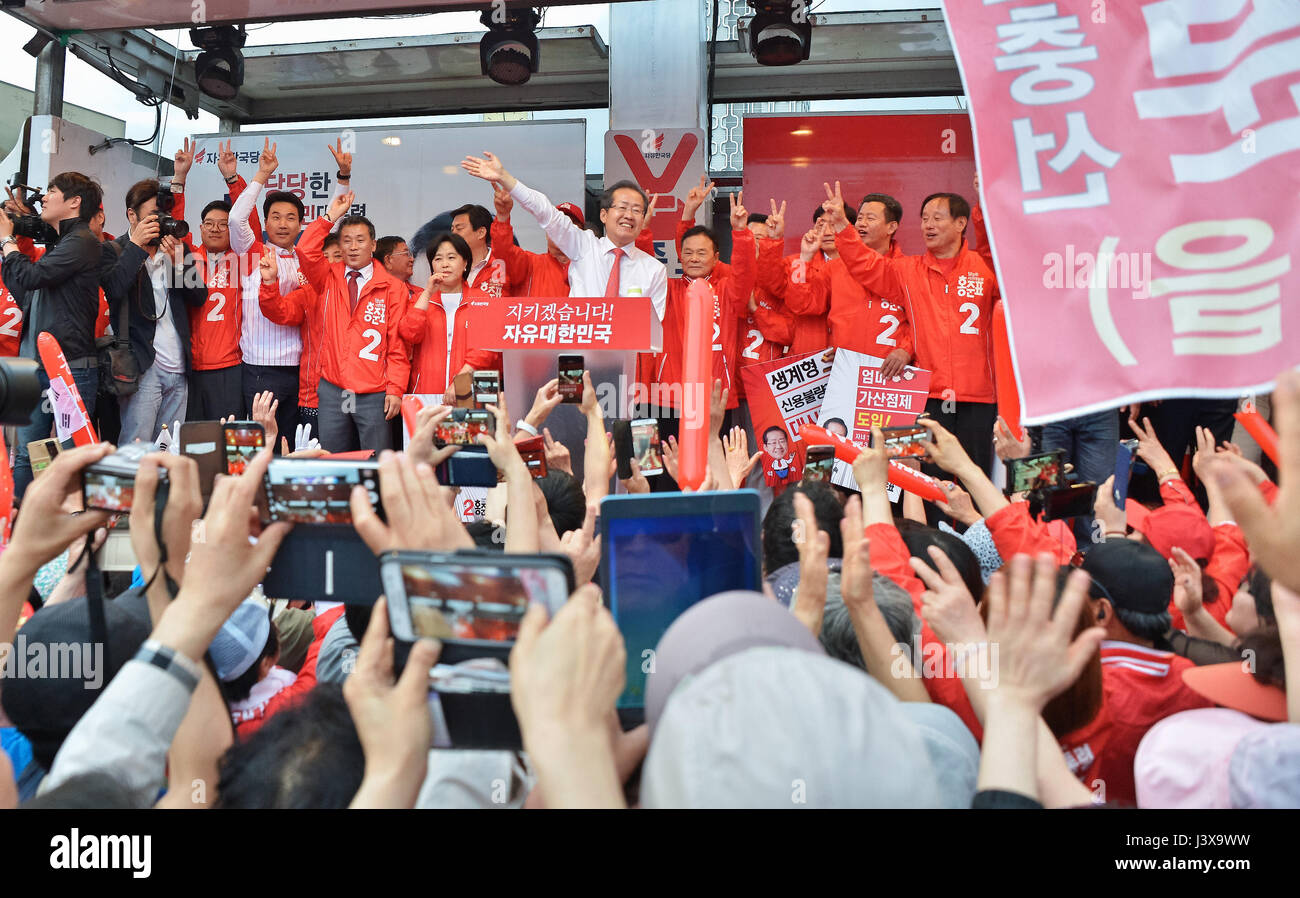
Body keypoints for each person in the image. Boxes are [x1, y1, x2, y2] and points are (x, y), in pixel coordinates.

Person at [828, 182, 1001, 474]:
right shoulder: (908, 271)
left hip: (979, 396)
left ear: (961, 223)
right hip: (929, 395)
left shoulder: (984, 266)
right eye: (924, 218)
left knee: (976, 477)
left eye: (937, 217)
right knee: (929, 481)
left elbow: (991, 245)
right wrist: (844, 229)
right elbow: (866, 265)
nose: (928, 225)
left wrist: (983, 206)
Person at [258, 190, 409, 452]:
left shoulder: (393, 288)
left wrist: (395, 389)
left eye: (360, 240)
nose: (352, 246)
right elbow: (305, 248)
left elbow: (398, 344)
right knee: (333, 458)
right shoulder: (326, 277)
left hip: (373, 390)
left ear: (373, 245)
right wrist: (330, 216)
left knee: (376, 461)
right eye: (346, 240)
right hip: (332, 389)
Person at [229, 137, 351, 439]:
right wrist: (262, 175)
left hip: (298, 369)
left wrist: (343, 178)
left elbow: (333, 218)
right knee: (260, 444)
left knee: (292, 444)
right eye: (276, 217)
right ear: (266, 223)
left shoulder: (305, 260)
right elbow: (235, 217)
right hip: (259, 368)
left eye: (291, 218)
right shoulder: (251, 252)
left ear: (301, 225)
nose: (283, 224)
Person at [460, 152, 667, 320]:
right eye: (622, 207)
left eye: (637, 210)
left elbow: (652, 330)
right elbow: (544, 211)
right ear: (604, 214)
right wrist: (505, 178)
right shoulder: (584, 247)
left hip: (628, 365)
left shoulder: (654, 270)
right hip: (577, 360)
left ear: (643, 219)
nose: (628, 215)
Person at [0, 172, 105, 498]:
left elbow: (33, 275)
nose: (44, 197)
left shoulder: (82, 242)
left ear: (74, 202)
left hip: (69, 367)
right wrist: (19, 226)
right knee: (29, 457)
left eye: (51, 191)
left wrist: (7, 239)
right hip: (35, 365)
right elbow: (25, 288)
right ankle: (18, 532)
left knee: (70, 457)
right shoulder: (62, 242)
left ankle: (73, 537)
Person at [100, 177, 208, 444]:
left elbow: (199, 296)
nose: (159, 223)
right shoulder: (113, 249)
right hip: (142, 366)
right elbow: (114, 288)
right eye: (152, 217)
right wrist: (136, 248)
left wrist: (180, 265)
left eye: (163, 217)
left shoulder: (174, 249)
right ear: (131, 214)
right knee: (136, 447)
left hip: (179, 367)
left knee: (169, 449)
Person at [786, 193, 913, 376]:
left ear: (891, 227)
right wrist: (804, 260)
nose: (861, 223)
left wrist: (906, 350)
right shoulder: (835, 268)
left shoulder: (909, 269)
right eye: (860, 218)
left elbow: (924, 323)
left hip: (893, 375)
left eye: (870, 218)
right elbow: (801, 304)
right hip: (844, 372)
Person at [399, 232, 500, 397]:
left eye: (451, 258)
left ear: (465, 263)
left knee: (470, 423)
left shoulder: (483, 299)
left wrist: (460, 383)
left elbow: (485, 351)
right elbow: (410, 334)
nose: (445, 264)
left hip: (470, 389)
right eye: (438, 259)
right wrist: (428, 292)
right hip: (426, 392)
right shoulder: (420, 300)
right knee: (427, 424)